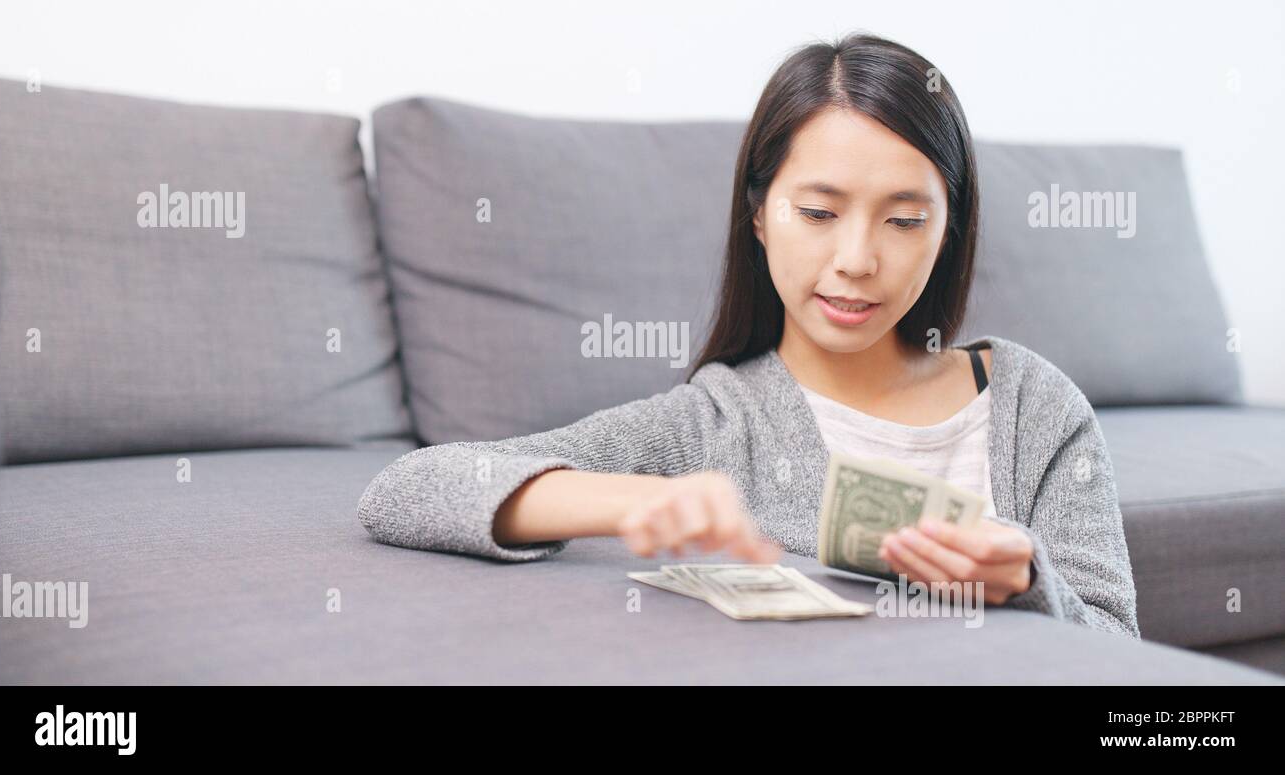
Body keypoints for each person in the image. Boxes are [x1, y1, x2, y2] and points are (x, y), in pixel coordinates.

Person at [356, 32, 1140, 638]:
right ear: (760, 215)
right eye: (819, 213)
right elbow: (404, 490)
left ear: (949, 230)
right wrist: (637, 498)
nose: (857, 260)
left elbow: (1128, 662)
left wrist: (1031, 585)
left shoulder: (1032, 406)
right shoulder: (714, 423)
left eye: (905, 220)